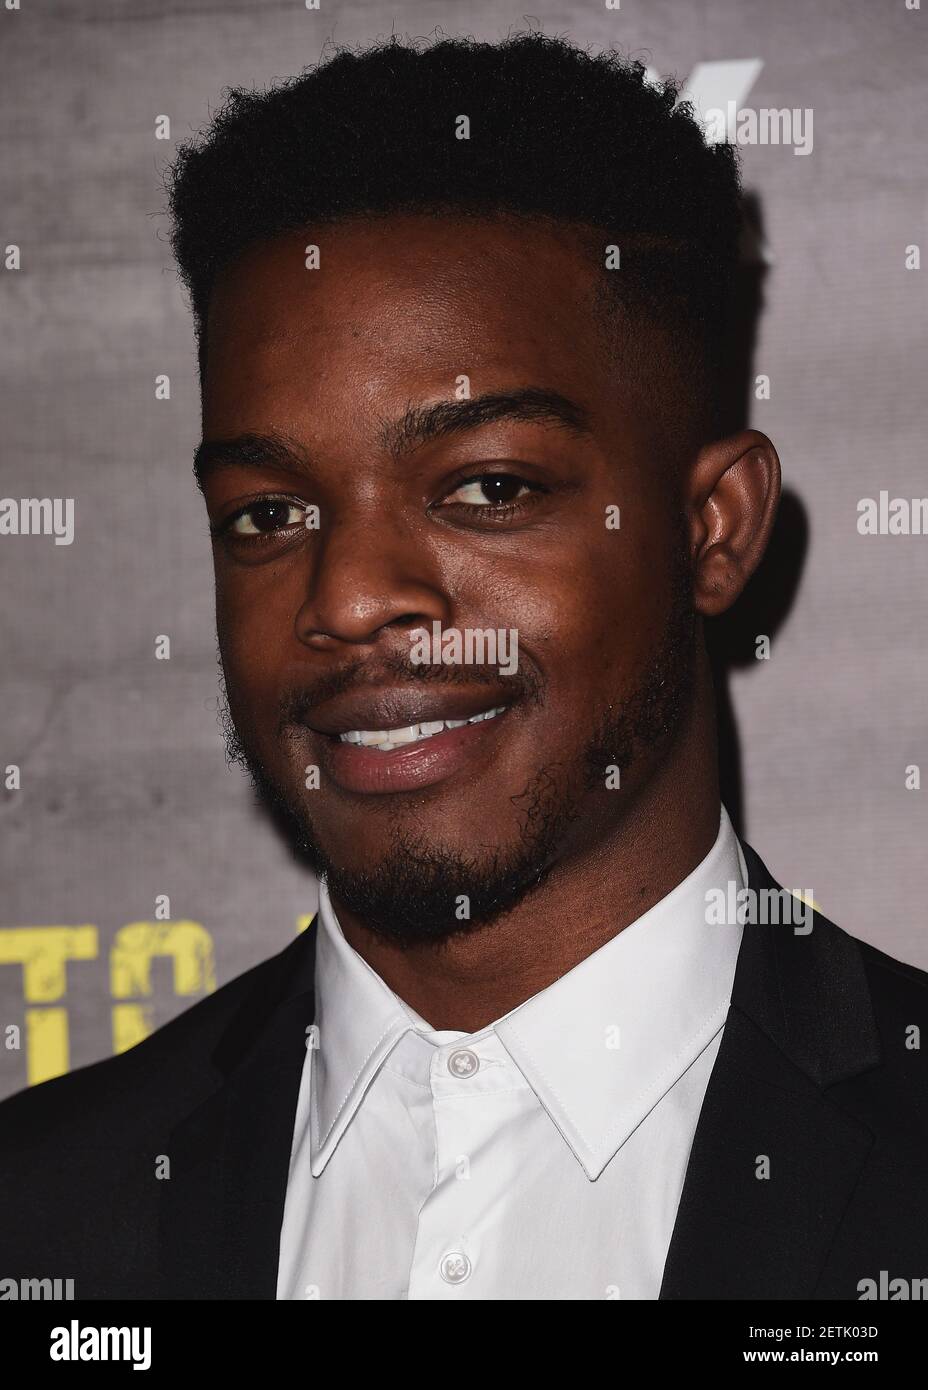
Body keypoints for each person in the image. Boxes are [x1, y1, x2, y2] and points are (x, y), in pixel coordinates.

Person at [1, 32, 925, 1301]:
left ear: (712, 528)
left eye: (488, 486)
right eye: (269, 512)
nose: (347, 595)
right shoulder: (41, 1213)